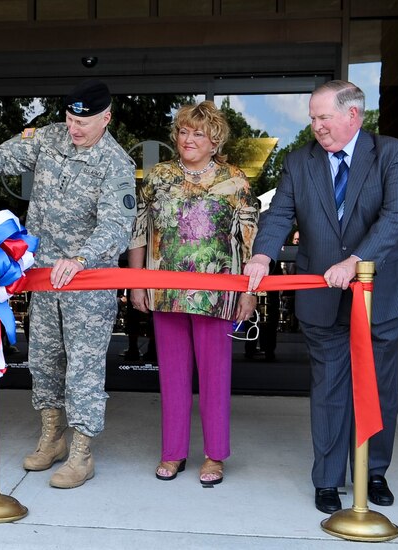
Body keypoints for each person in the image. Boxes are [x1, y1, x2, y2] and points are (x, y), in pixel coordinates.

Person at [244, 80, 398, 513]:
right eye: (312, 118)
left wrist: (357, 260)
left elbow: (396, 214)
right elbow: (280, 213)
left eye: (323, 117)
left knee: (379, 386)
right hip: (321, 295)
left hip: (381, 293)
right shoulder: (299, 161)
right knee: (329, 387)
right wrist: (263, 256)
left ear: (353, 116)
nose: (316, 126)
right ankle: (327, 479)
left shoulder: (393, 153)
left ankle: (374, 471)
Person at [0, 79, 137, 489]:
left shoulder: (116, 164)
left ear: (106, 118)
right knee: (44, 360)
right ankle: (52, 437)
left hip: (87, 282)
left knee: (84, 370)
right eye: (70, 119)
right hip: (43, 277)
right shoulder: (49, 138)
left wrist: (82, 258)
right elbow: (7, 156)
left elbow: (117, 226)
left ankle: (81, 454)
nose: (74, 128)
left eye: (83, 122)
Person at [127, 101, 259, 486]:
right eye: (184, 131)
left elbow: (250, 245)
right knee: (172, 375)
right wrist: (137, 281)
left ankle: (215, 456)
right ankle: (173, 452)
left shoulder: (236, 181)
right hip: (165, 291)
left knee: (216, 376)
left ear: (215, 140)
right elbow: (139, 231)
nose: (188, 138)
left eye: (198, 133)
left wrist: (250, 294)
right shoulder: (159, 177)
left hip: (217, 295)